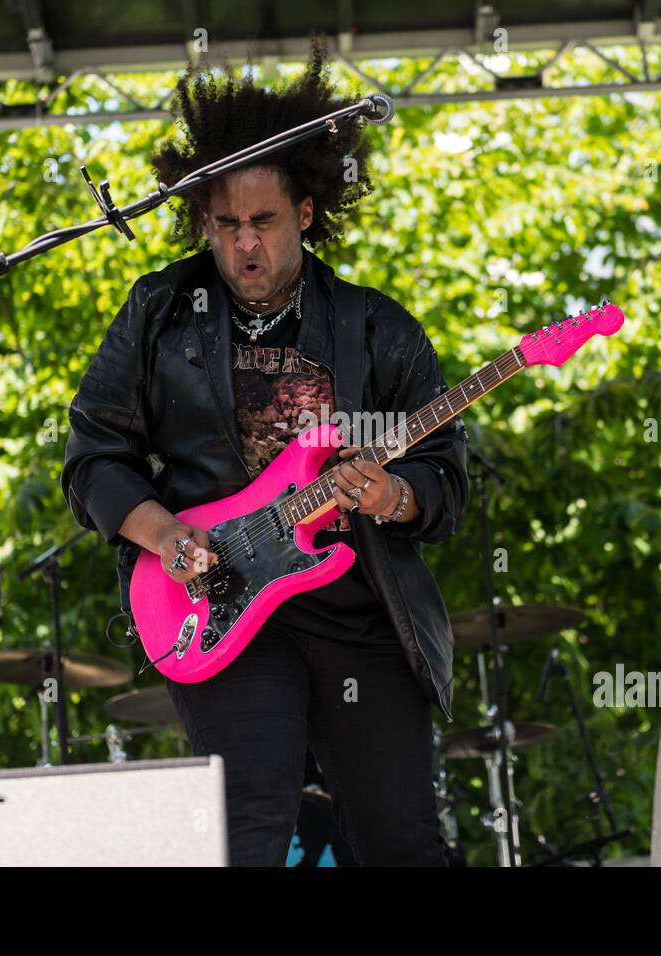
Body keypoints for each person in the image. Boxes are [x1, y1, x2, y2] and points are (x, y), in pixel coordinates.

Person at [60, 43, 468, 866]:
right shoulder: (160, 311)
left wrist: (392, 496)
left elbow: (446, 478)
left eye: (265, 222)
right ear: (202, 223)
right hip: (223, 602)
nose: (244, 245)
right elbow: (93, 458)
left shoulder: (375, 326)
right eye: (225, 225)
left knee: (401, 841)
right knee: (252, 824)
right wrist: (164, 536)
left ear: (307, 214)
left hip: (361, 612)